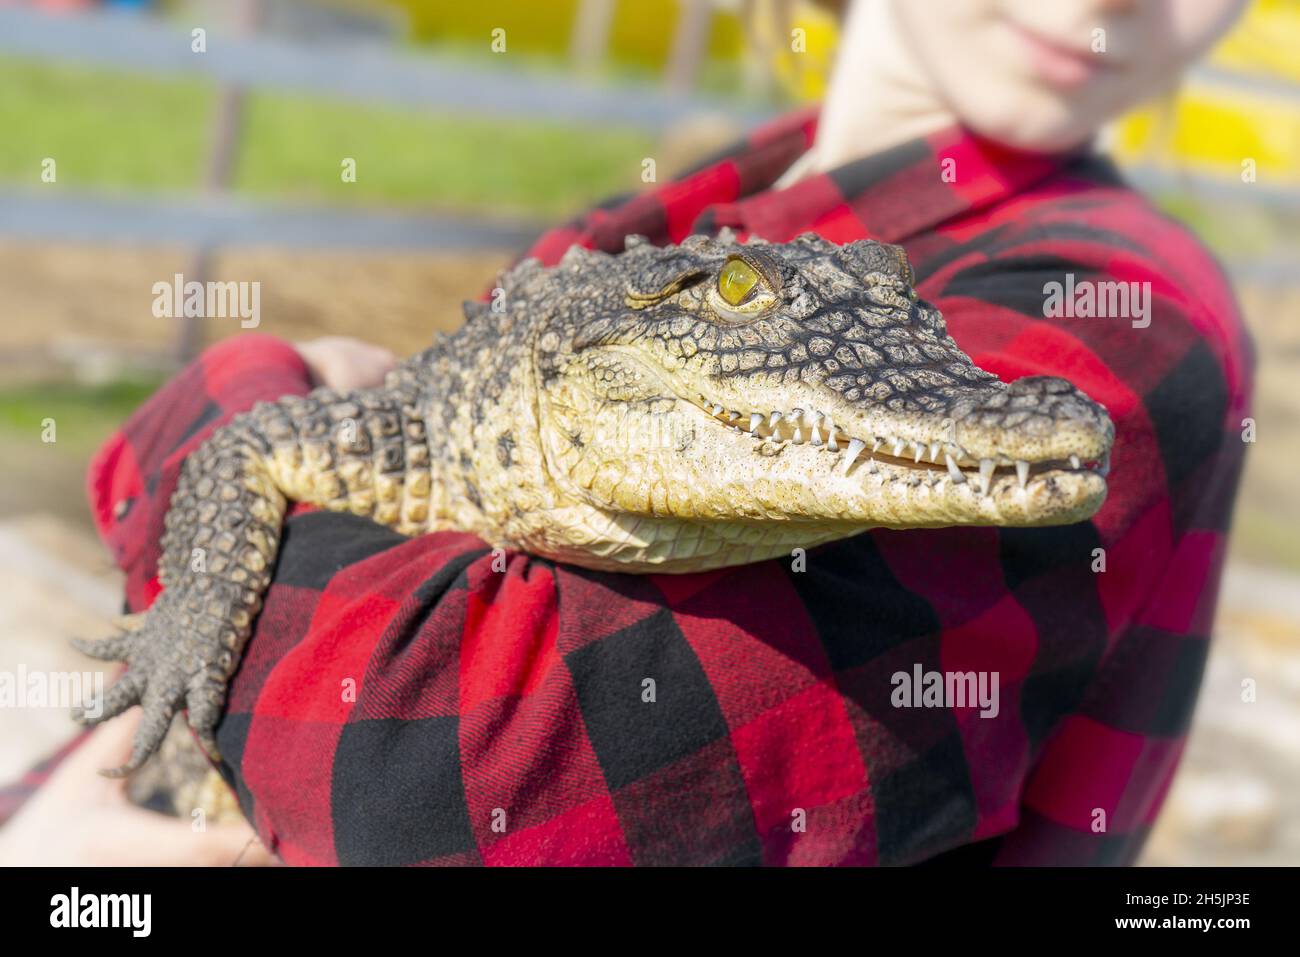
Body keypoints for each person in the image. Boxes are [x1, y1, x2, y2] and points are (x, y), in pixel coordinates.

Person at [1, 0, 1253, 865]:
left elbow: (440, 800)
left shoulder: (1119, 307)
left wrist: (227, 382)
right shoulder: (694, 205)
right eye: (742, 294)